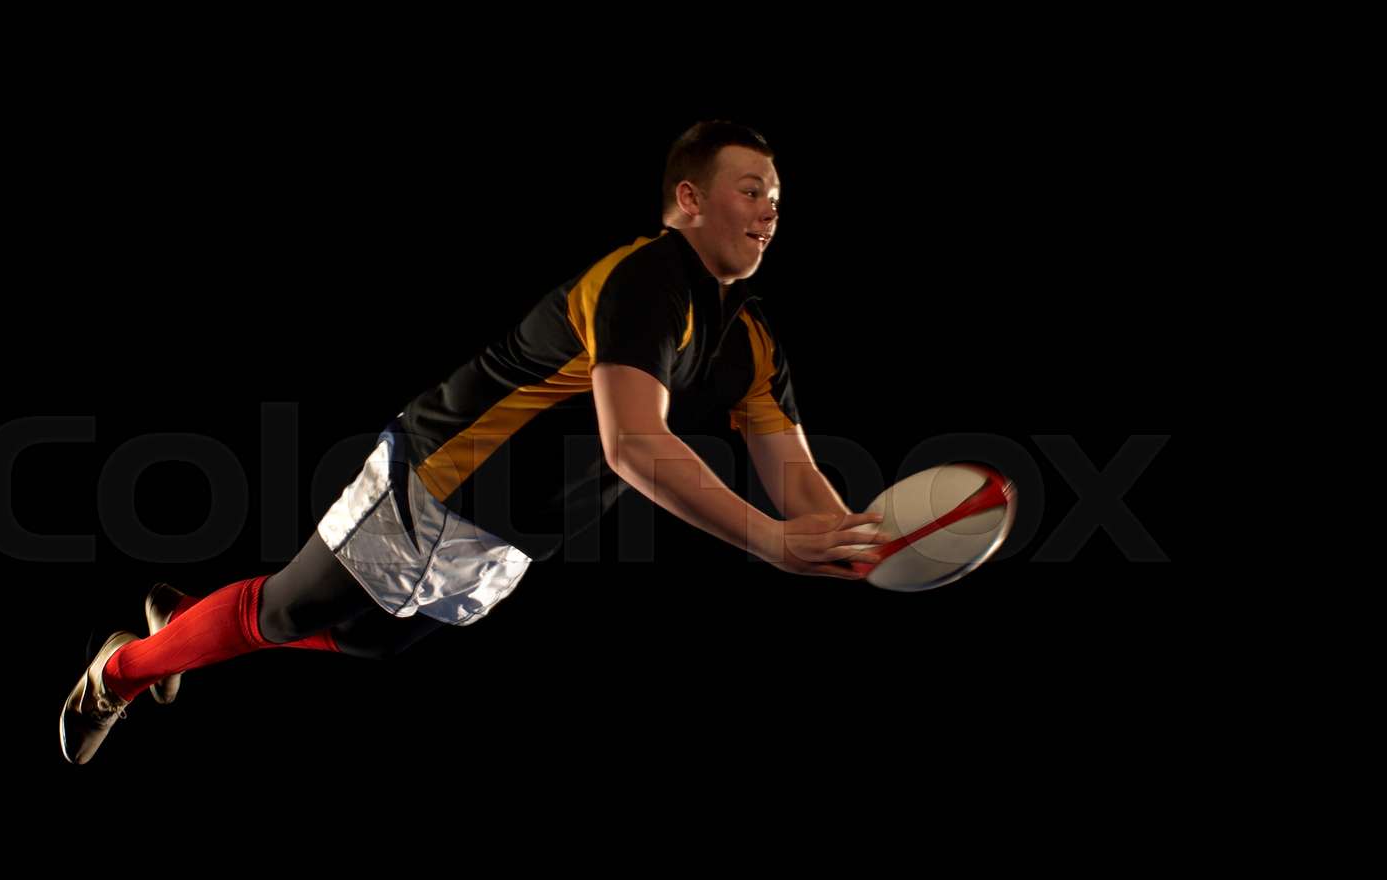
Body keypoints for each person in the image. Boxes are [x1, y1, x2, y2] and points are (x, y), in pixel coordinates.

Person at [60, 120, 890, 765]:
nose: (771, 209)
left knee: (373, 643)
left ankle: (187, 633)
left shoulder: (753, 344)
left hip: (509, 537)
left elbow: (800, 481)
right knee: (281, 610)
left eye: (778, 196)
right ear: (688, 199)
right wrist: (774, 542)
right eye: (752, 190)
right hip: (438, 478)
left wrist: (870, 542)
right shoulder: (645, 279)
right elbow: (636, 444)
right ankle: (119, 673)